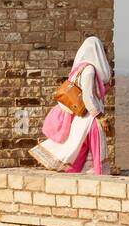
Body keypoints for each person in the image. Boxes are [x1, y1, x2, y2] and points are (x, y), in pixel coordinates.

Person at [29, 36, 113, 174]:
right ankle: (98, 175)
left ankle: (79, 174)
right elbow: (88, 96)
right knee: (97, 148)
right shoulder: (89, 71)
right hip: (90, 117)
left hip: (81, 117)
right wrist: (99, 116)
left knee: (79, 147)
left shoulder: (79, 69)